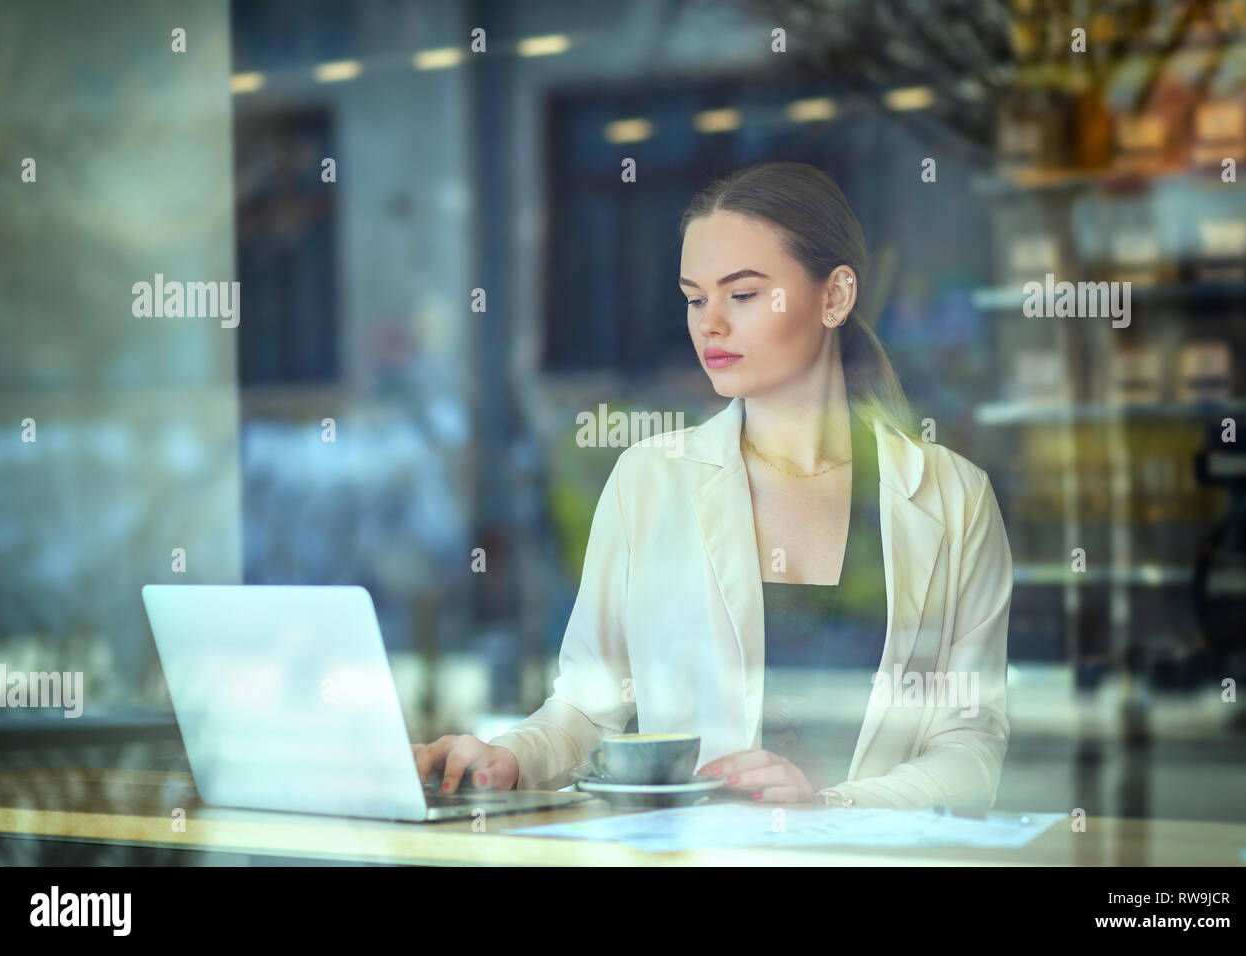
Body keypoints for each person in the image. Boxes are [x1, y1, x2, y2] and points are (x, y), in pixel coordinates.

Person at [414, 161, 1012, 809]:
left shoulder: (952, 496)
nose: (710, 324)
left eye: (744, 294)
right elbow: (588, 709)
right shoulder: (649, 479)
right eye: (696, 298)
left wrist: (833, 810)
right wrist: (508, 757)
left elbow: (968, 744)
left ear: (835, 297)